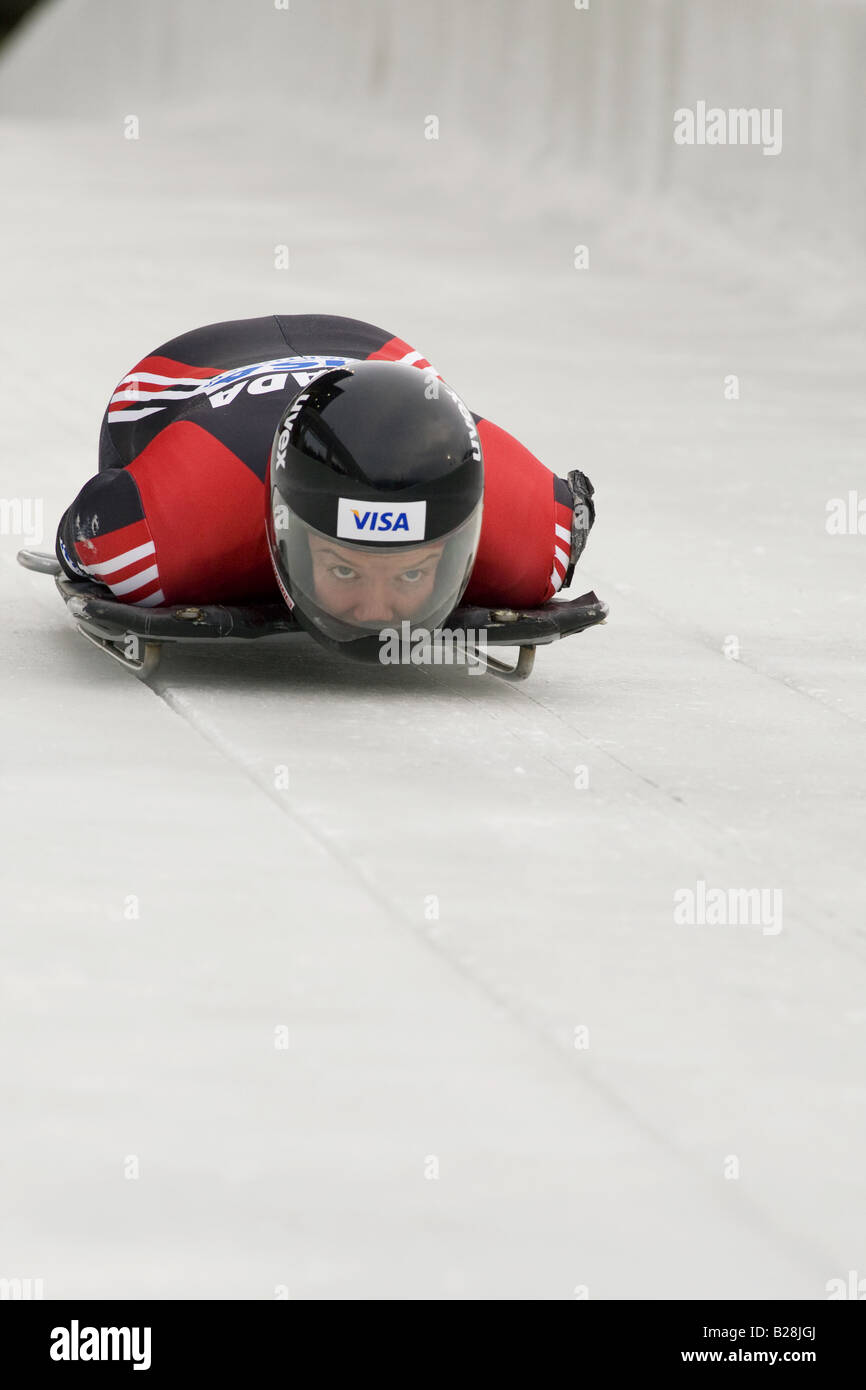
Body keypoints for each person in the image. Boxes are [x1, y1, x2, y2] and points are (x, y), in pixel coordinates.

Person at [56, 314, 595, 661]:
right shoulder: (164, 530)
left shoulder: (527, 533)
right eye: (344, 568)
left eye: (412, 571)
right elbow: (86, 527)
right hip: (178, 378)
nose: (376, 613)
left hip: (385, 366)